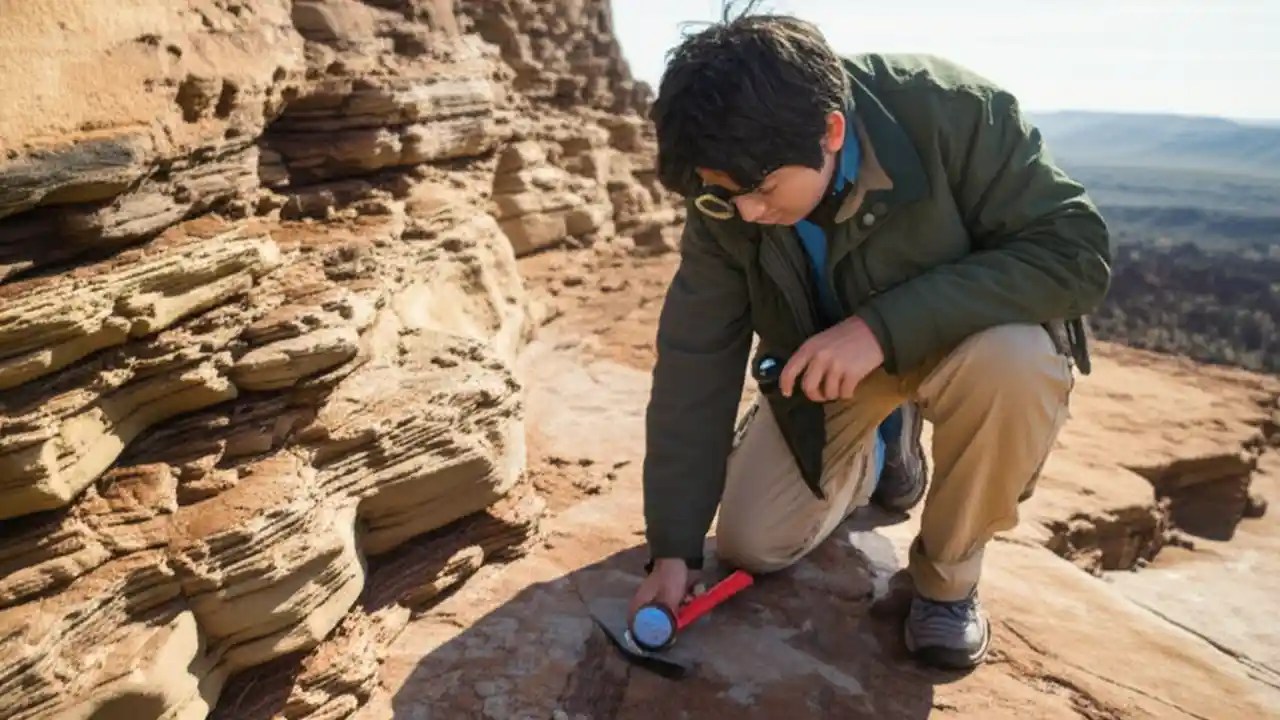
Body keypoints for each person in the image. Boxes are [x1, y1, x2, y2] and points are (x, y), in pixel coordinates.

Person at [628, 7, 1111, 671]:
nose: (746, 213)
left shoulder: (957, 112)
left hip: (961, 348)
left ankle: (947, 584)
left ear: (830, 131)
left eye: (764, 191)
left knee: (1019, 362)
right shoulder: (727, 183)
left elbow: (1077, 255)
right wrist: (674, 548)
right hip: (829, 373)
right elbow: (697, 357)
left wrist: (881, 330)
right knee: (751, 546)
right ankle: (886, 451)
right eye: (727, 196)